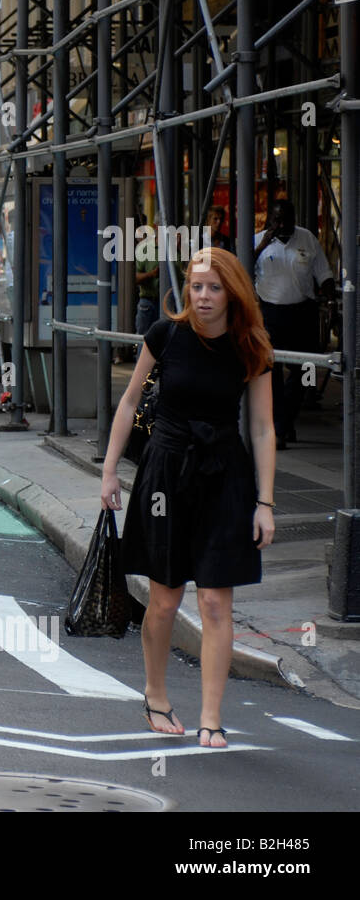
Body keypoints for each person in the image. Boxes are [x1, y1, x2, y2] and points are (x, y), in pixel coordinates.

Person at [100, 246, 275, 749]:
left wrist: (265, 503)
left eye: (213, 288)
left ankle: (212, 718)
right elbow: (131, 400)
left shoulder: (251, 346)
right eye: (196, 286)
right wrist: (110, 471)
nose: (202, 296)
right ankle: (156, 694)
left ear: (233, 292)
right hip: (165, 475)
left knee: (217, 602)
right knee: (163, 600)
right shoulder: (166, 334)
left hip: (225, 475)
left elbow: (263, 429)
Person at [252, 199, 334, 449]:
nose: (282, 225)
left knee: (306, 371)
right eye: (277, 220)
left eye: (287, 219)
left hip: (302, 314)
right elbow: (239, 269)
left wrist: (331, 299)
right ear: (270, 219)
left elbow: (324, 273)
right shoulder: (257, 241)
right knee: (271, 372)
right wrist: (263, 245)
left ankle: (286, 419)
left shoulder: (307, 238)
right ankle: (281, 426)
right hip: (270, 315)